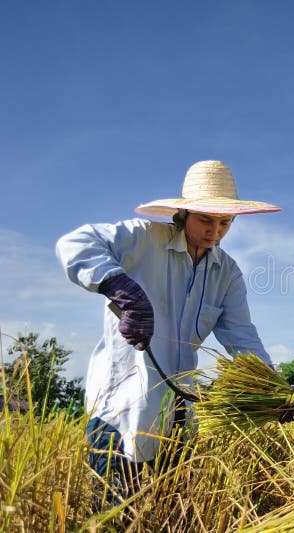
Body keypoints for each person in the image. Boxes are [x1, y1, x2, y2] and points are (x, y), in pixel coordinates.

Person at [55, 160, 280, 502]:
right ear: (184, 213)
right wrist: (121, 290)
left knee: (169, 511)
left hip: (179, 418)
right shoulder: (144, 239)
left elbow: (242, 336)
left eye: (225, 222)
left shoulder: (226, 273)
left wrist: (273, 386)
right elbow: (75, 243)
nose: (215, 231)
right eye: (206, 219)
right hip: (123, 409)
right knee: (115, 515)